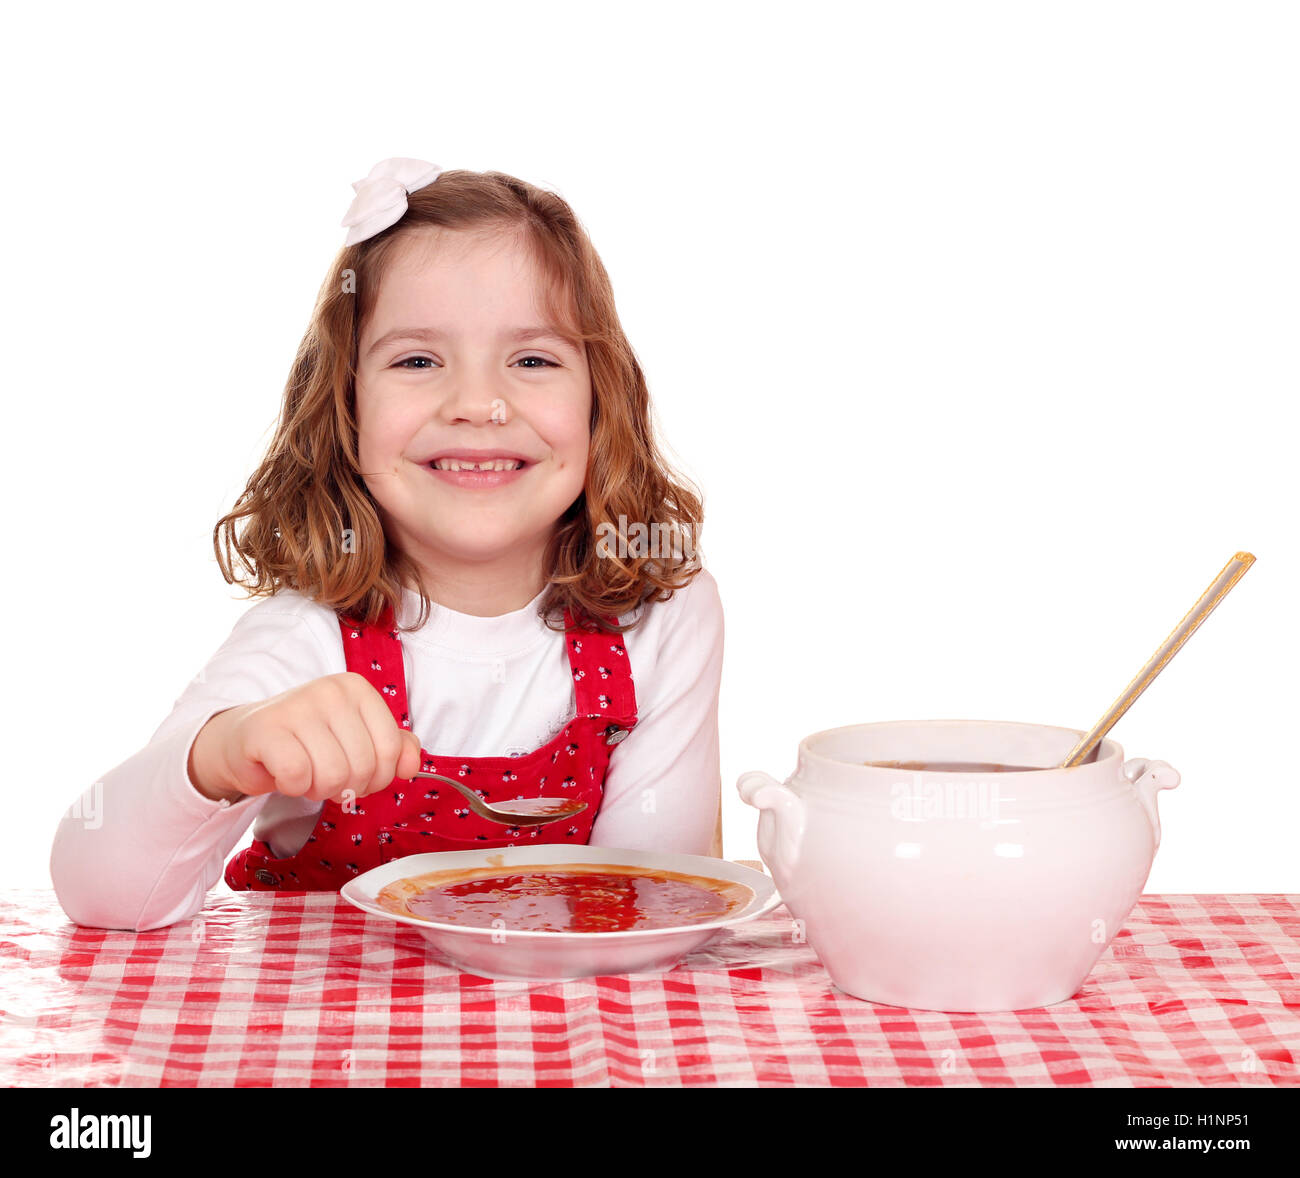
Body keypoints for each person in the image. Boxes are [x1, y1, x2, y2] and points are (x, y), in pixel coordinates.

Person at [51, 158, 724, 931]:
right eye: (416, 361)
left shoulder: (662, 618)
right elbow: (100, 893)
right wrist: (225, 752)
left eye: (533, 359)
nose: (478, 404)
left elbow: (651, 902)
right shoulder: (307, 635)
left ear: (604, 399)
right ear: (345, 408)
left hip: (565, 1033)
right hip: (326, 1044)